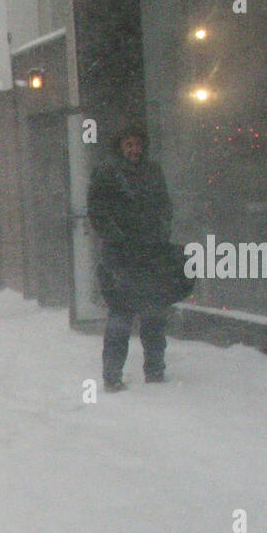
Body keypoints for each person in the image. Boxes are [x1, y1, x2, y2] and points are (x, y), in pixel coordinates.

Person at [86, 124, 174, 391]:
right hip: (119, 257)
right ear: (120, 147)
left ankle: (156, 371)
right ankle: (112, 377)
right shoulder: (106, 173)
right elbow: (97, 212)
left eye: (138, 145)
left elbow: (164, 206)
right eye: (129, 145)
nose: (135, 150)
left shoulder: (153, 171)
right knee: (121, 316)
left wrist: (161, 235)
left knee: (154, 314)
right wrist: (119, 238)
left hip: (151, 254)